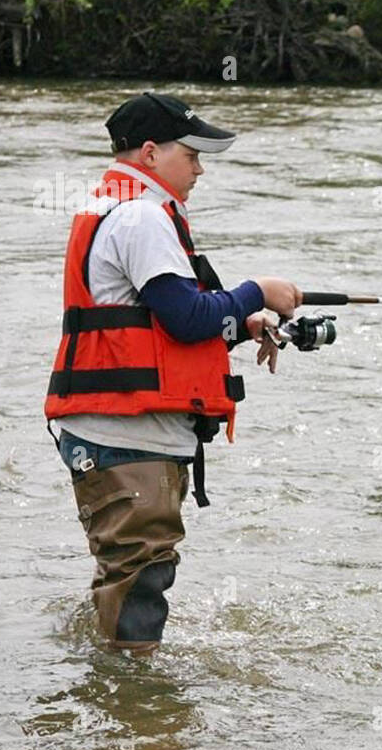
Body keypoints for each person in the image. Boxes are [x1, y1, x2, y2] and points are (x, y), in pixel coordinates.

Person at [44, 92, 302, 656]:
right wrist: (258, 290)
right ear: (153, 153)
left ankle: (116, 701)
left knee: (131, 577)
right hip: (126, 440)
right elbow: (186, 319)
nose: (201, 169)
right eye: (193, 154)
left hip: (117, 434)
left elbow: (154, 325)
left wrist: (244, 324)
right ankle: (134, 715)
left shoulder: (117, 206)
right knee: (139, 586)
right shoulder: (140, 215)